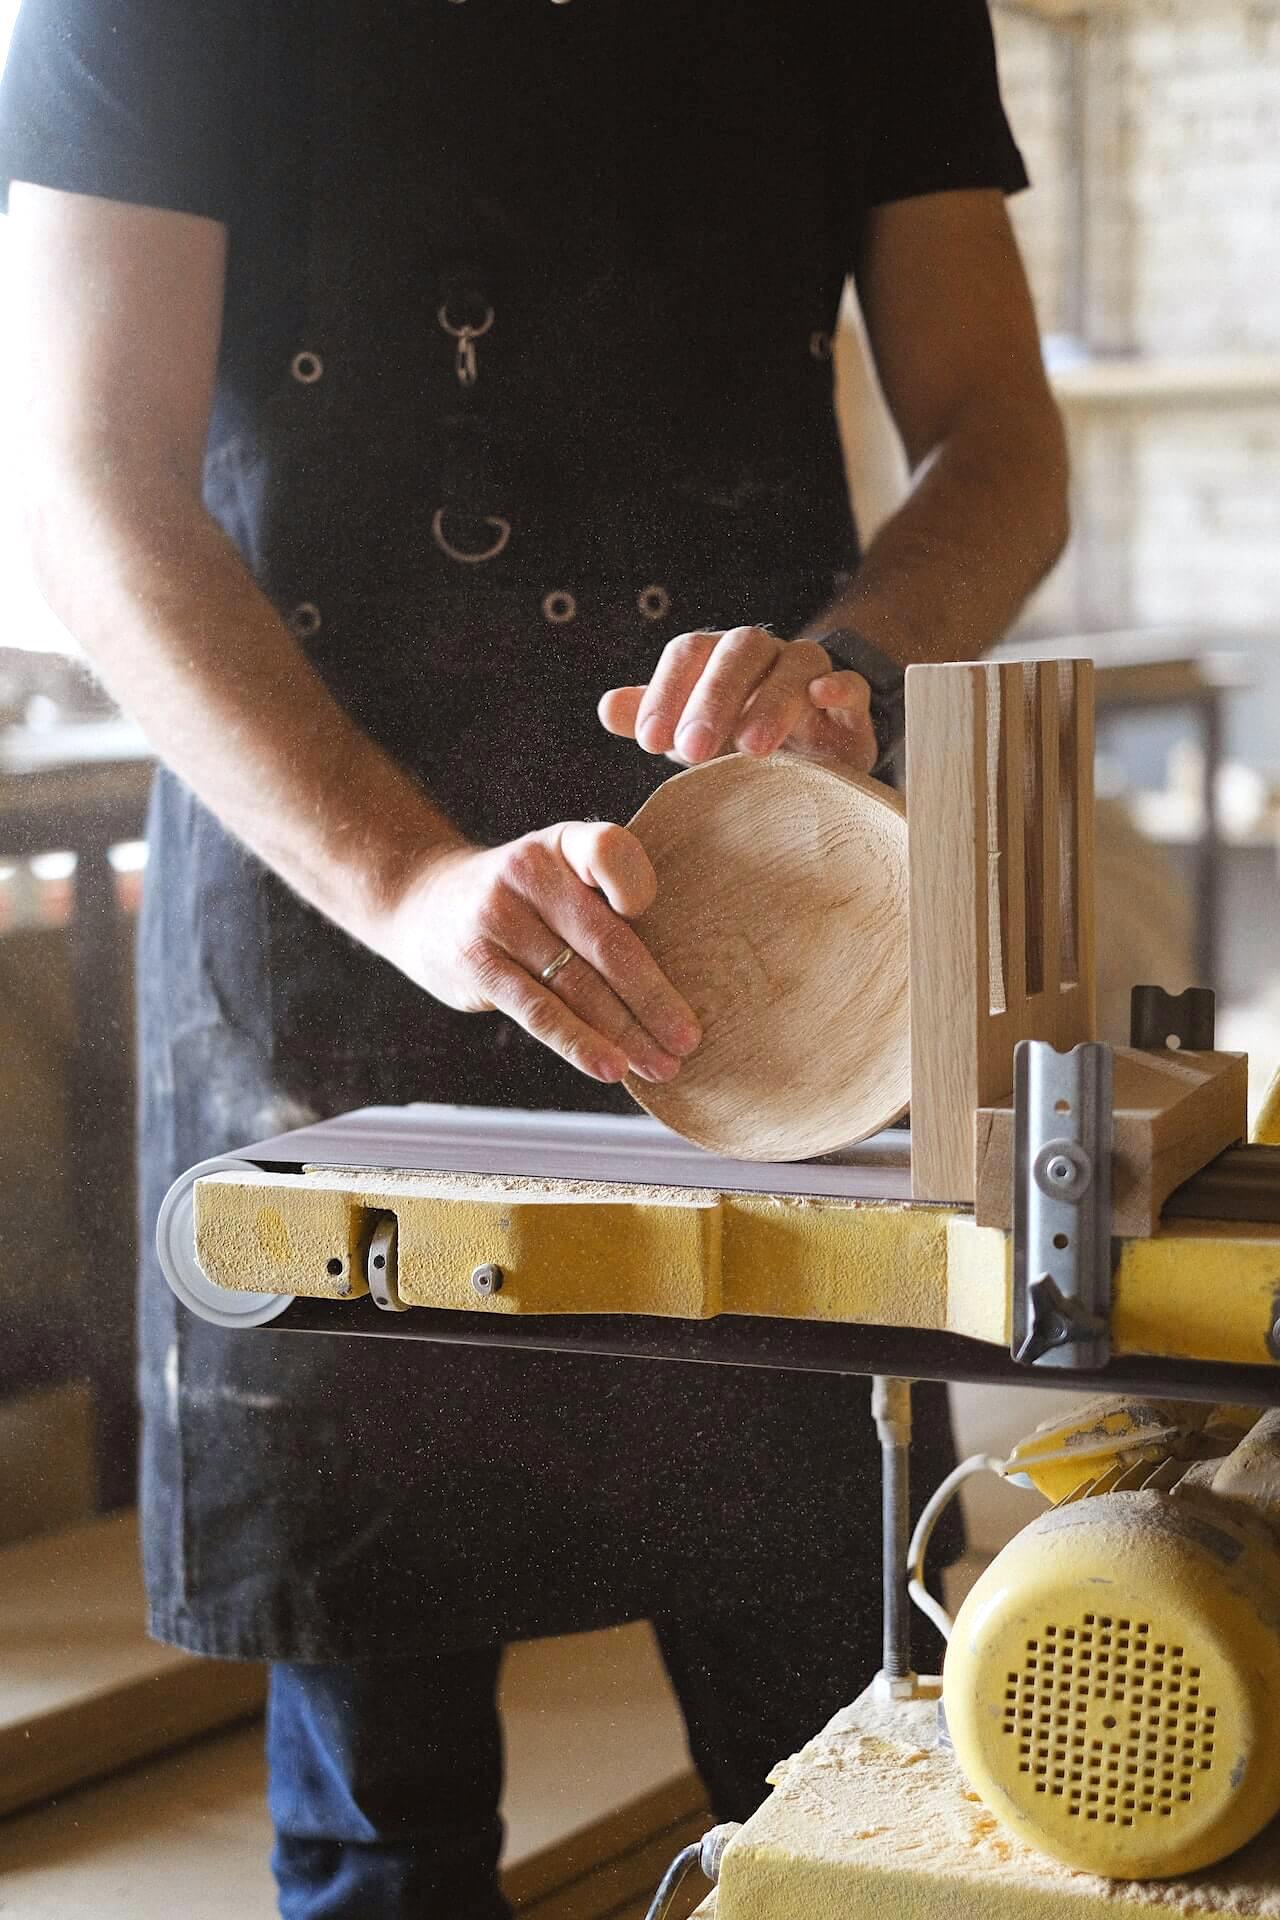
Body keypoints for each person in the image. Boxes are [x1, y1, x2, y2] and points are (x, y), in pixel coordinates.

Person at [0, 3, 1068, 1914]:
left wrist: (855, 666)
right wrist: (408, 879)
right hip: (331, 945)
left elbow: (1003, 441)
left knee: (857, 1799)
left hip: (766, 953)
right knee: (386, 1835)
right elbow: (85, 472)